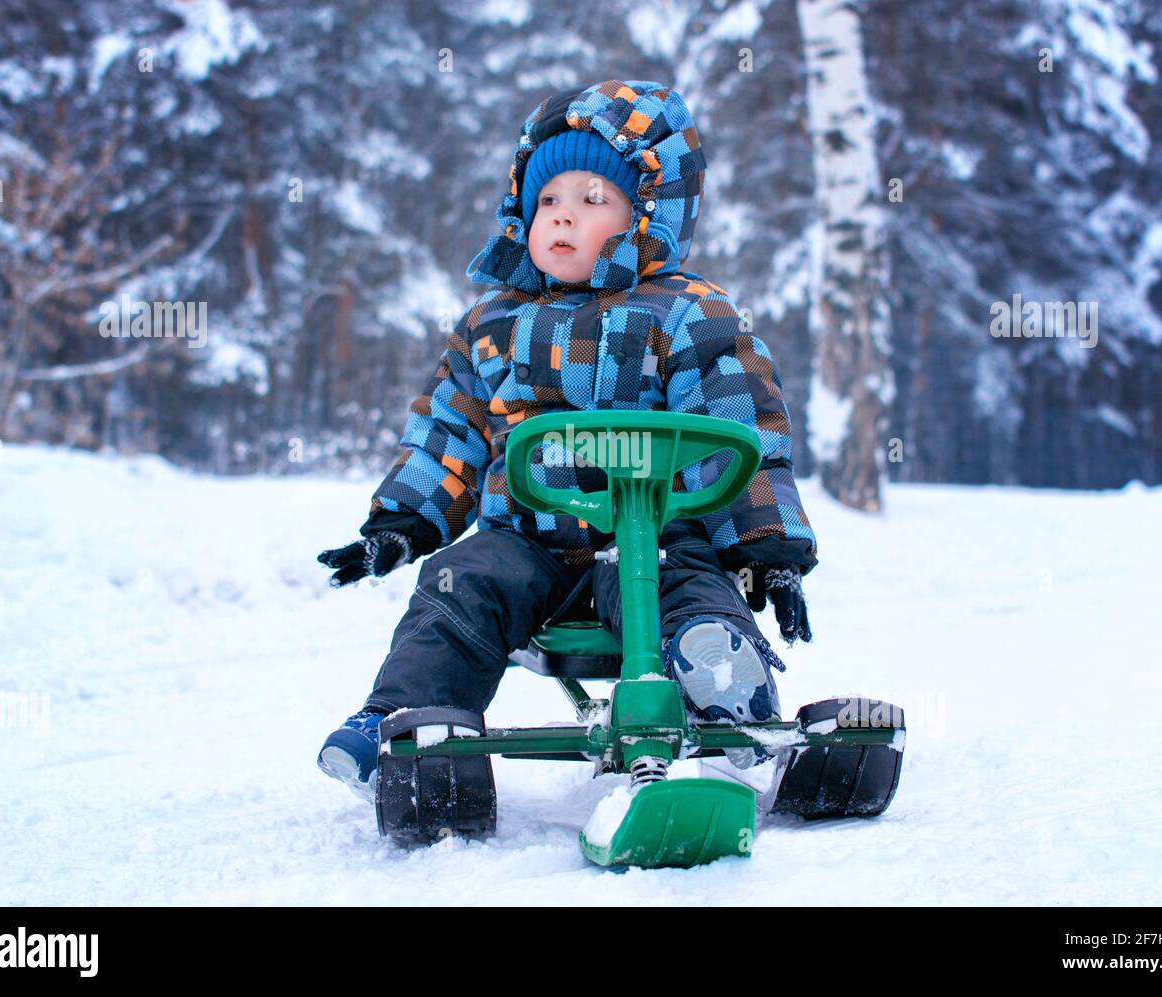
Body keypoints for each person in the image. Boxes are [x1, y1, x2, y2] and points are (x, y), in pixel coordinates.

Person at [316, 80, 817, 800]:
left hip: (652, 534)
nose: (562, 216)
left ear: (646, 214)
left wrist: (771, 552)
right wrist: (399, 524)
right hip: (527, 543)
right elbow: (447, 432)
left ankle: (723, 679)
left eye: (591, 199)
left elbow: (739, 432)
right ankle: (400, 720)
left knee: (686, 586)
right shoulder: (492, 324)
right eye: (548, 199)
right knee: (459, 584)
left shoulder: (687, 314)